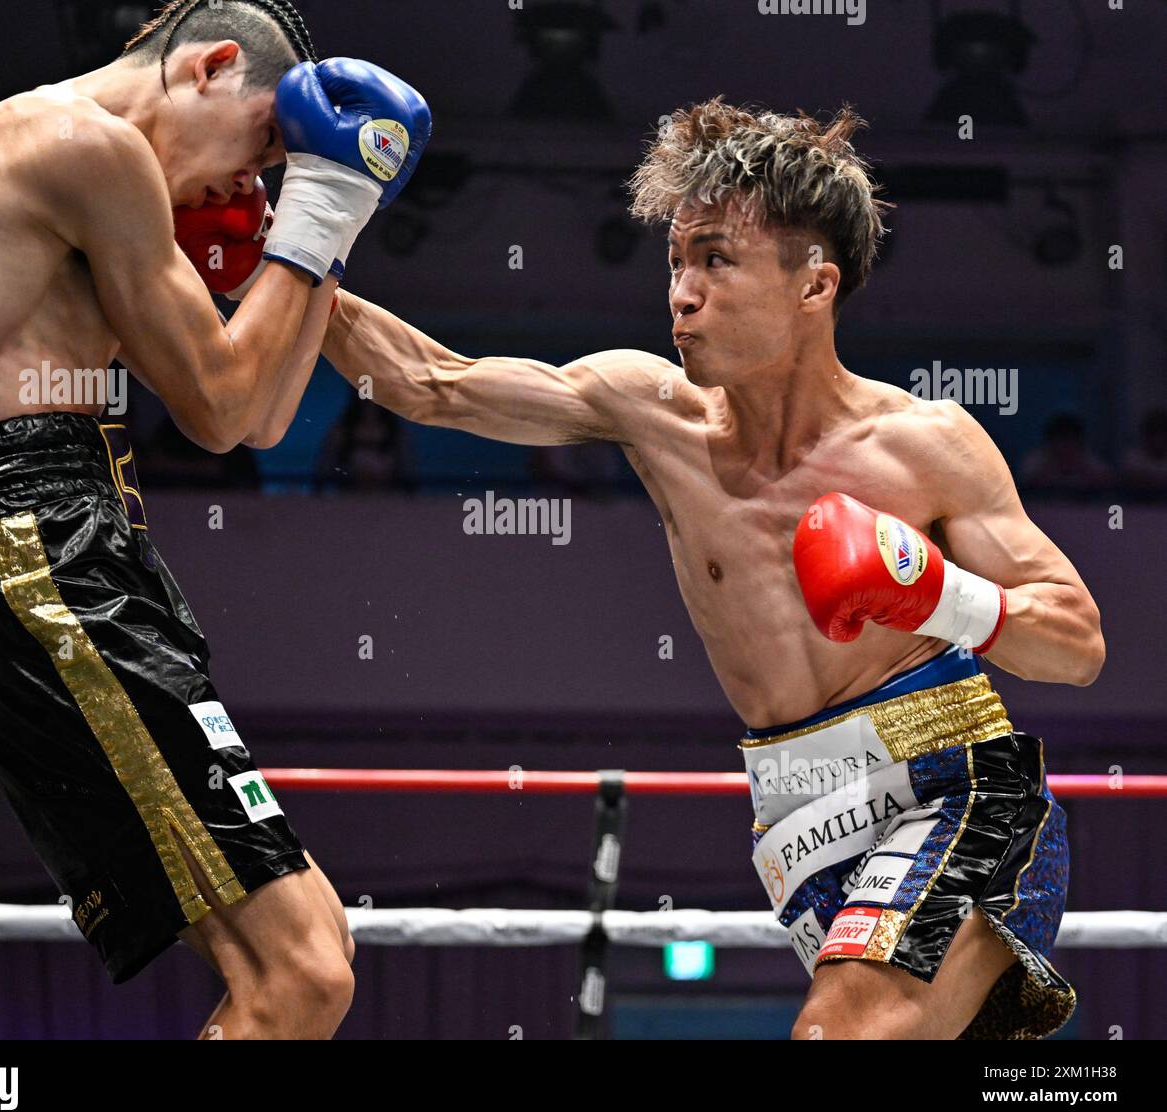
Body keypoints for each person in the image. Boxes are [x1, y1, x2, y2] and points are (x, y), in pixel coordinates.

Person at [321, 100, 1104, 1039]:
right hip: (801, 829)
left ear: (815, 285)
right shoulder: (651, 410)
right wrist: (293, 252)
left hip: (959, 790)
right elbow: (427, 382)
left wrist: (936, 591)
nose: (681, 292)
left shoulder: (924, 446)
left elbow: (1077, 644)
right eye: (677, 261)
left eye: (716, 261)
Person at [0, 0, 430, 1039]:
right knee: (300, 972)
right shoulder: (84, 145)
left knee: (320, 938)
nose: (253, 181)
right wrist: (324, 196)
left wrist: (326, 226)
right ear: (212, 64)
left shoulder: (91, 182)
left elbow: (258, 419)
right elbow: (225, 402)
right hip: (33, 549)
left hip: (71, 546)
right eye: (269, 143)